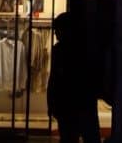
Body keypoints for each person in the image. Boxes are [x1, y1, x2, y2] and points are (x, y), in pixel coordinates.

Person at [48, 8, 97, 143]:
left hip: (66, 101)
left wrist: (51, 102)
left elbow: (55, 78)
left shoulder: (60, 50)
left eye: (57, 30)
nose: (56, 34)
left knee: (68, 135)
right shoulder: (82, 49)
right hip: (76, 101)